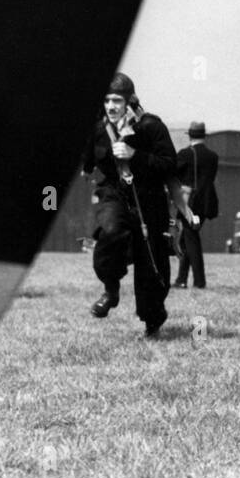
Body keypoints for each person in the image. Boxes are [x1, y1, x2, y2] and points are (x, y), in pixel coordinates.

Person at [82, 73, 177, 337]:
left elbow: (170, 164)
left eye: (116, 101)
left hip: (149, 200)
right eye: (106, 101)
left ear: (129, 101)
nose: (110, 107)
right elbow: (87, 161)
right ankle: (110, 290)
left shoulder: (150, 126)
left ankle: (152, 320)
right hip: (114, 194)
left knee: (152, 265)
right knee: (109, 233)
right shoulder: (98, 129)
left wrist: (136, 156)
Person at [173, 121, 219, 289]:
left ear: (190, 135)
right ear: (203, 135)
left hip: (189, 202)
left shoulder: (185, 154)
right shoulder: (213, 156)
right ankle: (181, 279)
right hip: (207, 202)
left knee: (191, 239)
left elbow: (173, 175)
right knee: (187, 240)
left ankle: (199, 281)